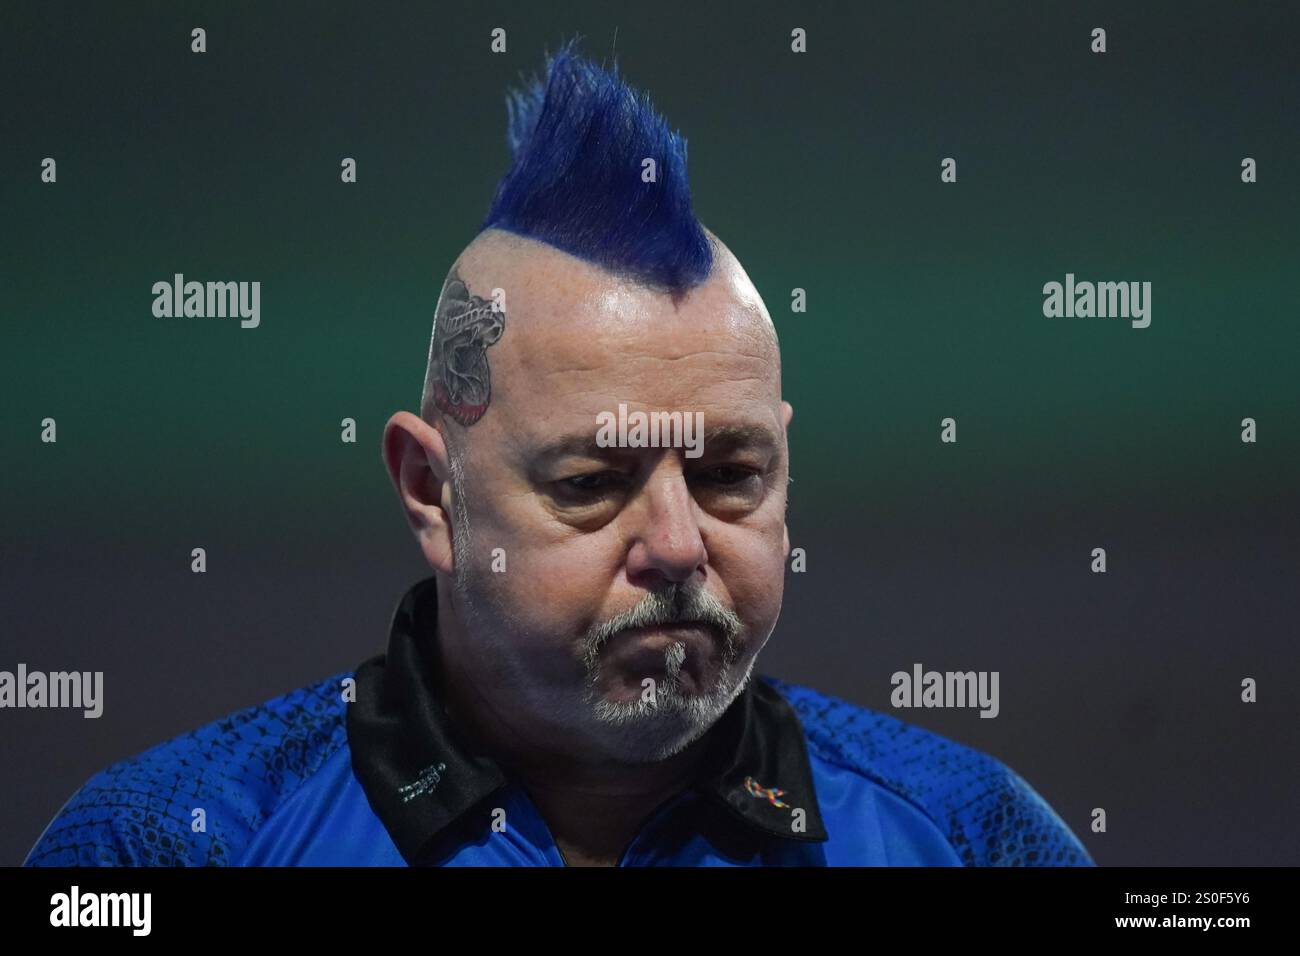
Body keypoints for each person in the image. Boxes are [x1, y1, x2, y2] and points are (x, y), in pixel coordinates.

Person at [25, 42, 1092, 867]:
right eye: (590, 483)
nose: (678, 546)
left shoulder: (972, 833)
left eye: (730, 474)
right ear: (430, 490)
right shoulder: (166, 843)